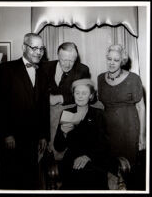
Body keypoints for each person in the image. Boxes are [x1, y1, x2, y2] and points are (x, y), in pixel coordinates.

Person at [0, 33, 50, 189]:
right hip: (13, 137)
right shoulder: (6, 69)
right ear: (23, 47)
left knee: (30, 179)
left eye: (41, 48)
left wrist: (43, 135)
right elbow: (1, 104)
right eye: (34, 47)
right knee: (11, 179)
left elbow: (43, 107)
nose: (38, 52)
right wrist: (7, 133)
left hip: (33, 139)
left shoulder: (43, 72)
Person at [97, 44, 146, 189]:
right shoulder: (100, 78)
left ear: (122, 61)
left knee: (129, 169)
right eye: (109, 59)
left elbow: (141, 107)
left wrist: (142, 136)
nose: (112, 63)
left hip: (129, 128)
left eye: (116, 60)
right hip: (109, 130)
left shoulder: (133, 78)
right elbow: (101, 105)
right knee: (112, 168)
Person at [54, 79, 110, 190]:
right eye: (77, 93)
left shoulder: (98, 114)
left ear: (91, 96)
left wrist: (87, 156)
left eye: (84, 93)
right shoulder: (67, 113)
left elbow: (103, 144)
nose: (80, 96)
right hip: (71, 160)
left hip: (93, 159)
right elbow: (58, 146)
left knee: (90, 175)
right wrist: (63, 133)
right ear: (73, 94)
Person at [42, 42, 91, 160]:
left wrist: (60, 98)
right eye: (64, 60)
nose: (68, 65)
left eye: (71, 61)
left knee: (64, 150)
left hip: (69, 111)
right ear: (58, 55)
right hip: (46, 113)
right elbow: (37, 92)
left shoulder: (82, 69)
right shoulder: (44, 67)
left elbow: (82, 93)